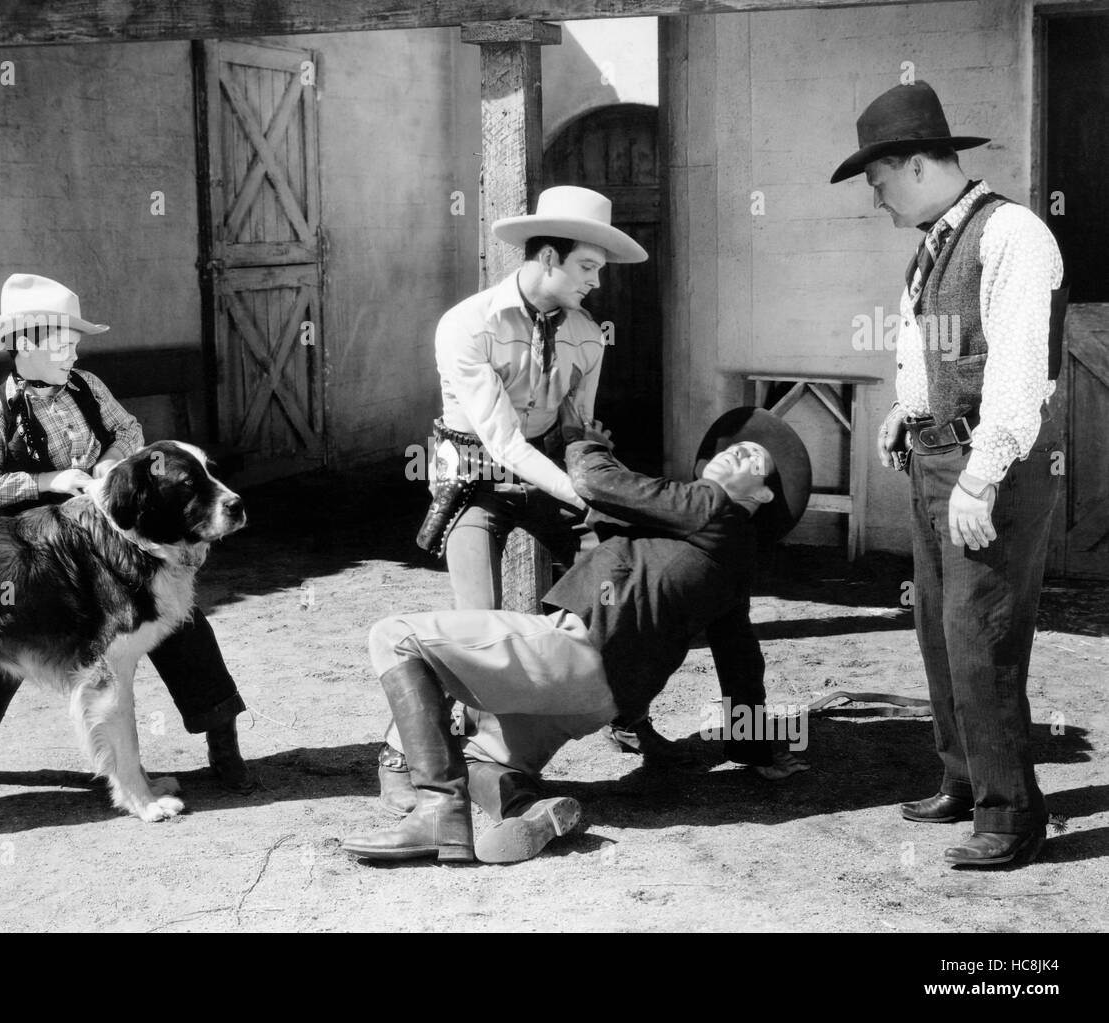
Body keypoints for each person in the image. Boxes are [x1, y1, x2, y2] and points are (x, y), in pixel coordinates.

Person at [343, 407, 813, 864]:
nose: (739, 454)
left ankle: (437, 815)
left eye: (756, 460)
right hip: (600, 700)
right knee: (482, 758)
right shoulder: (723, 549)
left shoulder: (713, 507)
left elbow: (596, 481)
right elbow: (739, 658)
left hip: (574, 648)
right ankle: (527, 809)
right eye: (738, 448)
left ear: (764, 496)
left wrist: (583, 436)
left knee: (395, 636)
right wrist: (753, 747)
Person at [381, 187, 683, 814]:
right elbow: (503, 441)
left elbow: (578, 426)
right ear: (548, 256)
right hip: (475, 479)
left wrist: (606, 498)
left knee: (620, 585)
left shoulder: (585, 335)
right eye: (587, 268)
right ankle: (412, 762)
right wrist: (583, 491)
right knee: (475, 627)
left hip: (549, 475)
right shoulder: (469, 324)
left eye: (599, 270)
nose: (596, 284)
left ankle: (626, 712)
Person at [832, 82, 1066, 868]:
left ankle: (1010, 815)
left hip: (986, 467)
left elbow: (1019, 370)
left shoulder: (1014, 236)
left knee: (983, 636)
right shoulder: (934, 241)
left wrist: (982, 475)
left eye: (879, 179)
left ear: (919, 164)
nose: (877, 198)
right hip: (936, 457)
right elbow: (930, 347)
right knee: (938, 629)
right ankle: (964, 778)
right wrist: (906, 407)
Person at [0, 273, 253, 800]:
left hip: (108, 534)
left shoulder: (87, 386)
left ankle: (222, 738)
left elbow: (129, 432)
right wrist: (49, 481)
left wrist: (106, 465)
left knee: (182, 628)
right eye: (61, 344)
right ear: (26, 342)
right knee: (7, 646)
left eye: (76, 344)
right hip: (42, 552)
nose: (72, 354)